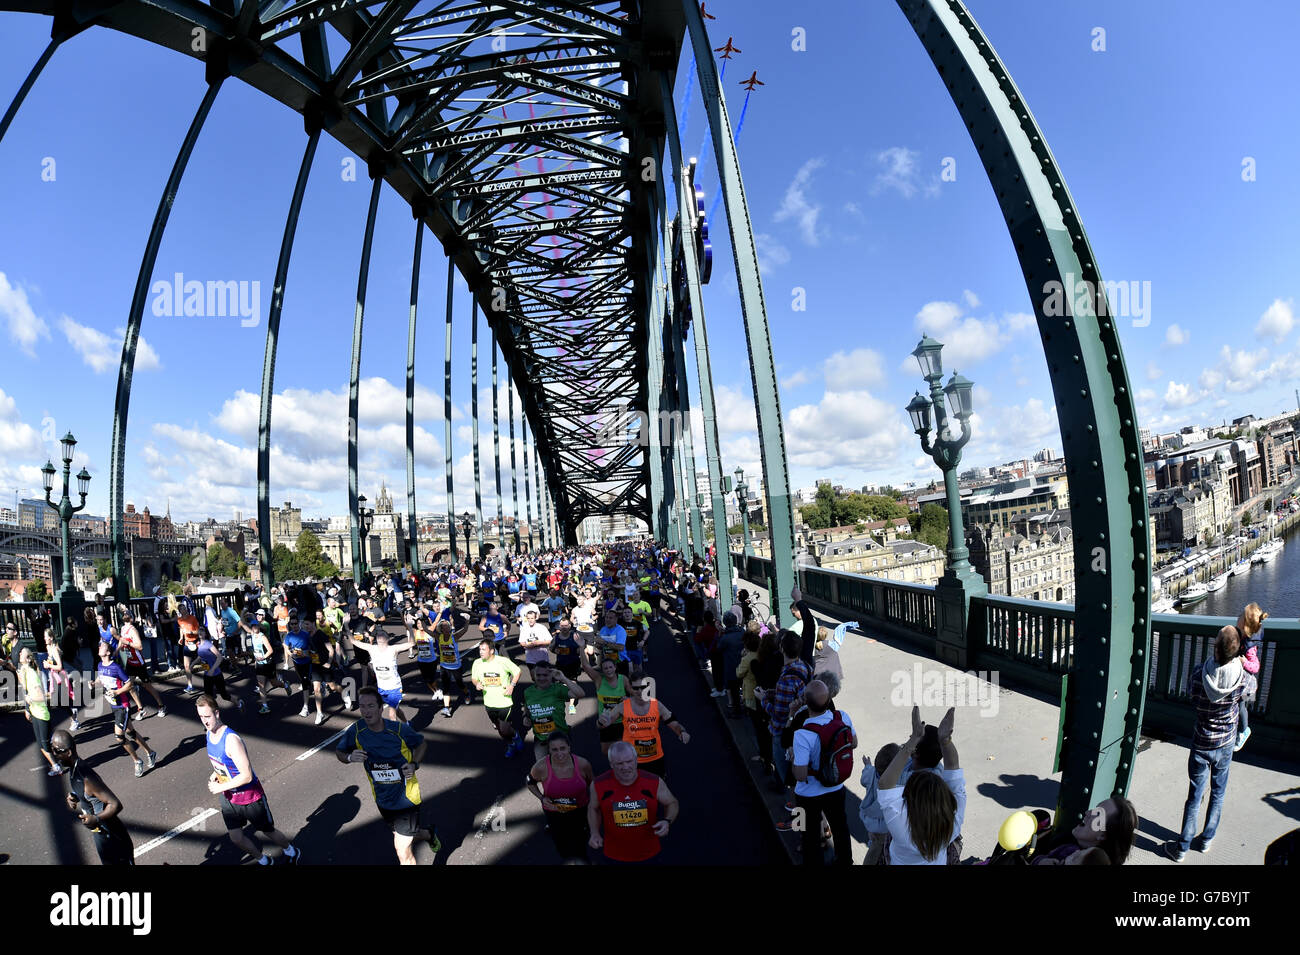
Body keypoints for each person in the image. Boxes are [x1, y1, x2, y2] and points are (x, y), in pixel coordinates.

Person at [1164, 625, 1256, 862]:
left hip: (1201, 742)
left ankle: (1182, 847)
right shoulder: (1242, 677)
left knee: (1195, 795)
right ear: (1236, 652)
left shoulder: (1198, 674)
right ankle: (1205, 840)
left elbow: (1193, 697)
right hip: (1225, 743)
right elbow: (1250, 694)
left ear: (1215, 647)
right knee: (1218, 793)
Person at [336, 686, 440, 865]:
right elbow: (339, 752)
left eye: (370, 706)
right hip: (382, 799)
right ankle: (428, 834)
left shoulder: (398, 730)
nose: (366, 711)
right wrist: (349, 757)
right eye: (362, 706)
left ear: (380, 708)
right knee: (406, 836)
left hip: (407, 798)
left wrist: (414, 764)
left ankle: (423, 836)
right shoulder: (357, 731)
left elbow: (421, 744)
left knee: (402, 850)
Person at [197, 694, 301, 865]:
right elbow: (223, 764)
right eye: (201, 717)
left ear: (217, 713)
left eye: (207, 716)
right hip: (229, 798)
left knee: (268, 831)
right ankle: (263, 860)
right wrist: (216, 774)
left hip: (250, 798)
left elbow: (247, 775)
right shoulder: (209, 734)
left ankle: (291, 851)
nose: (204, 721)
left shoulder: (231, 740)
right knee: (236, 838)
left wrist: (219, 787)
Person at [878, 706, 965, 865]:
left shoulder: (900, 824)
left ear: (909, 796)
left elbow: (884, 783)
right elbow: (953, 770)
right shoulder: (952, 825)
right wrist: (945, 740)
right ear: (944, 797)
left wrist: (913, 739)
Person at [790, 680, 856, 865]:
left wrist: (795, 758)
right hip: (836, 787)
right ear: (828, 700)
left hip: (807, 794)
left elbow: (801, 775)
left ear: (806, 702)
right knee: (841, 827)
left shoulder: (802, 734)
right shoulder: (842, 717)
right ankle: (844, 861)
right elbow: (854, 743)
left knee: (808, 835)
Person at [588, 741, 680, 864]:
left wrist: (667, 820)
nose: (625, 767)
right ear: (611, 764)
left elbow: (672, 802)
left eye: (629, 761)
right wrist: (594, 832)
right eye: (619, 763)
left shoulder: (654, 781)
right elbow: (593, 808)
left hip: (649, 854)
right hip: (614, 855)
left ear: (636, 760)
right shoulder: (598, 784)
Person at [52, 730, 134, 865]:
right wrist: (74, 796)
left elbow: (115, 804)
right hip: (100, 833)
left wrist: (96, 818)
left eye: (56, 750)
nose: (54, 754)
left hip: (112, 836)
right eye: (52, 749)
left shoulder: (86, 777)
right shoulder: (73, 768)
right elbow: (88, 794)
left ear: (68, 752)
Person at [597, 669, 689, 780]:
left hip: (655, 758)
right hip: (631, 760)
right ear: (630, 688)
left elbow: (673, 723)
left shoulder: (657, 705)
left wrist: (681, 732)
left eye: (643, 687)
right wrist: (601, 722)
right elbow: (603, 723)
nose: (639, 691)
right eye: (635, 688)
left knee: (657, 789)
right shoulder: (622, 706)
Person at [755, 631, 812, 793]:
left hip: (784, 733)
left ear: (781, 648)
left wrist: (762, 698)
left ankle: (796, 810)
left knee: (790, 778)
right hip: (802, 727)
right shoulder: (805, 666)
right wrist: (772, 693)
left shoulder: (786, 679)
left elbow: (778, 714)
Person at [526, 731, 594, 863]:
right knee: (562, 846)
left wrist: (594, 807)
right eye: (554, 750)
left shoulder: (582, 764)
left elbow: (593, 784)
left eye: (562, 748)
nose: (559, 753)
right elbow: (530, 782)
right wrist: (541, 797)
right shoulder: (541, 767)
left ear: (569, 747)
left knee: (580, 845)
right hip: (555, 814)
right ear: (549, 750)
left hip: (580, 811)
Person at [96, 640, 158, 778]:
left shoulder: (116, 667)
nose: (99, 646)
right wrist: (94, 683)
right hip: (114, 705)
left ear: (108, 652)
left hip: (122, 706)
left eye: (102, 646)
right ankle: (150, 752)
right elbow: (102, 679)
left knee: (119, 737)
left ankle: (137, 761)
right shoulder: (100, 665)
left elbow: (129, 684)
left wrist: (117, 692)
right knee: (131, 733)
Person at [1031, 795, 1138, 865]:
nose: (1087, 812)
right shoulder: (1069, 843)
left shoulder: (1073, 858)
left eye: (1097, 814)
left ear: (1103, 835)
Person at [469, 637, 524, 757]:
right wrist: (477, 684)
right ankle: (510, 744)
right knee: (499, 728)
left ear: (492, 651)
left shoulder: (503, 661)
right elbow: (474, 678)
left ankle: (516, 736)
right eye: (480, 650)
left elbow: (517, 671)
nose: (481, 652)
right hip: (489, 702)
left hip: (504, 701)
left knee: (504, 728)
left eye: (483, 649)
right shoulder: (477, 663)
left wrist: (512, 686)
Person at [522, 661, 585, 760]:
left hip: (560, 737)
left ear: (551, 675)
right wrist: (526, 716)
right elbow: (527, 705)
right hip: (541, 739)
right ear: (534, 675)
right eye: (538, 675)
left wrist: (563, 678)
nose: (541, 678)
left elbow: (580, 694)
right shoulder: (528, 692)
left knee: (563, 765)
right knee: (543, 767)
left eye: (545, 675)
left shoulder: (558, 689)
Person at [117, 610, 168, 719]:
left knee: (147, 686)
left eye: (128, 615)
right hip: (130, 662)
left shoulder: (133, 630)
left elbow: (140, 646)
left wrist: (128, 643)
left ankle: (161, 705)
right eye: (124, 614)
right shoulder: (122, 628)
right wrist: (116, 651)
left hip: (139, 663)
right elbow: (121, 642)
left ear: (131, 618)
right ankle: (141, 709)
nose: (126, 616)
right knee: (129, 686)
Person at [18, 648, 61, 775]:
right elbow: (26, 690)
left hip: (42, 713)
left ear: (27, 658)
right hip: (35, 712)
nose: (19, 654)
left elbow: (42, 696)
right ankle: (58, 762)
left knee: (45, 744)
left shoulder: (31, 674)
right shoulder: (26, 672)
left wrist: (30, 699)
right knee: (42, 744)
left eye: (22, 653)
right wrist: (28, 709)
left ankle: (57, 765)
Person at [1232, 602, 1267, 751]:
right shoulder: (1242, 635)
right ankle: (1238, 728)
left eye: (1241, 616)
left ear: (1245, 625)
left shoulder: (1250, 646)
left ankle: (1244, 730)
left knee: (1241, 706)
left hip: (1247, 684)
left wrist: (1244, 661)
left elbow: (1256, 667)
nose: (1238, 617)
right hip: (1241, 682)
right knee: (1238, 706)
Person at [858, 742, 900, 865]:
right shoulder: (897, 784)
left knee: (874, 848)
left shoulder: (871, 773)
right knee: (880, 853)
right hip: (887, 828)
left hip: (872, 823)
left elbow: (863, 779)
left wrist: (867, 766)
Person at [365, 630, 414, 723]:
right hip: (382, 688)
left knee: (392, 715)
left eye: (383, 635)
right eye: (378, 635)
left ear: (388, 639)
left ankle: (397, 736)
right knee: (396, 709)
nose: (380, 636)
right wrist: (346, 626)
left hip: (394, 687)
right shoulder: (373, 650)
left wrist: (410, 628)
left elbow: (412, 643)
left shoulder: (393, 649)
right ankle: (406, 724)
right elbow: (353, 642)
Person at [518, 608, 552, 675]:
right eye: (529, 618)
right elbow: (522, 642)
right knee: (534, 677)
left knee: (544, 676)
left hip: (543, 658)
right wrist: (528, 646)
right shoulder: (524, 629)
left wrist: (539, 643)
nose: (530, 620)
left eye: (532, 618)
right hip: (530, 659)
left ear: (536, 618)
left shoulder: (542, 627)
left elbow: (550, 641)